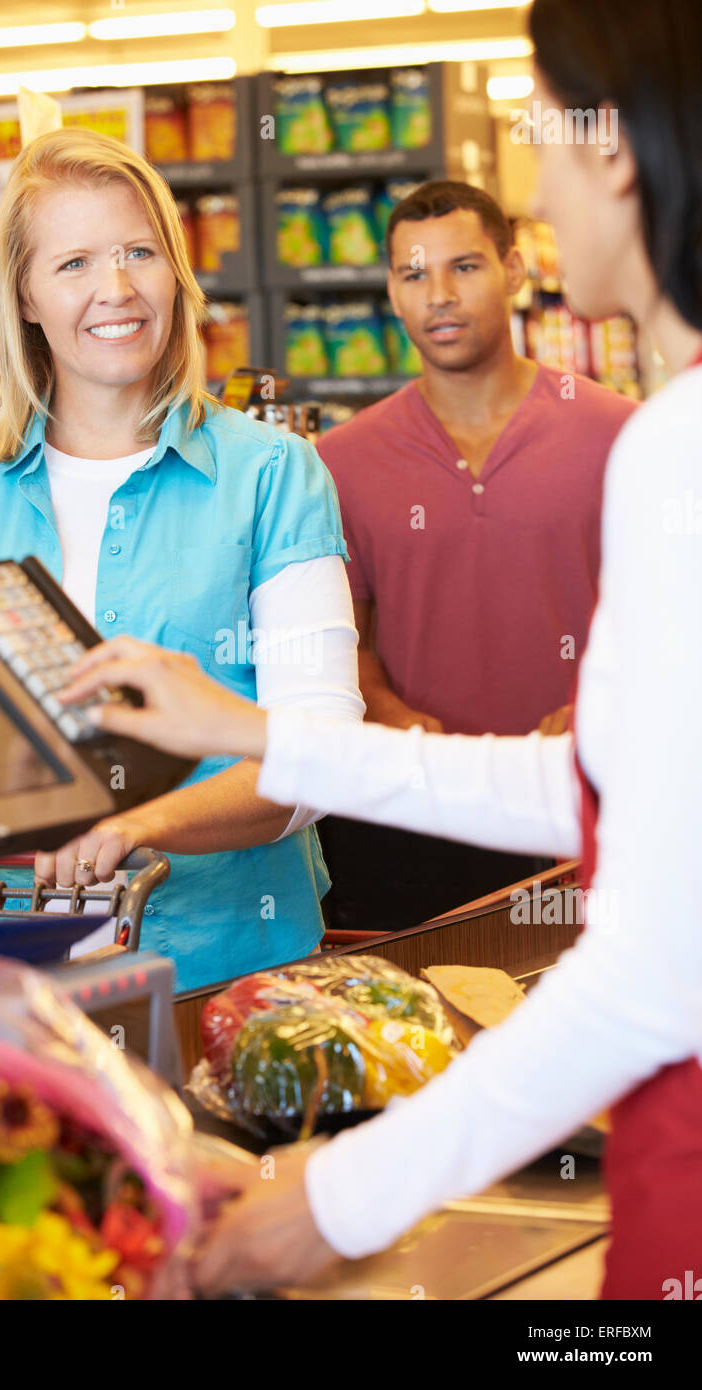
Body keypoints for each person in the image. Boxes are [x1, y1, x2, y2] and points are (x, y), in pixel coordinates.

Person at [52, 0, 702, 1299]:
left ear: (611, 148)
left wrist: (332, 1204)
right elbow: (591, 783)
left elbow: (647, 973)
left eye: (539, 127)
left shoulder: (669, 450)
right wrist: (253, 733)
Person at [0, 127, 364, 992]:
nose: (117, 289)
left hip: (216, 971)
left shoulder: (271, 474)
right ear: (23, 294)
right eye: (73, 264)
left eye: (140, 252)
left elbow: (319, 753)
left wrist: (144, 822)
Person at [316, 179, 636, 932]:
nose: (439, 296)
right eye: (413, 273)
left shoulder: (619, 433)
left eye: (464, 266)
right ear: (392, 292)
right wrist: (397, 719)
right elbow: (342, 640)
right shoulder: (341, 460)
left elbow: (671, 617)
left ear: (515, 272)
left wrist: (600, 708)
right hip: (413, 816)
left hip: (590, 796)